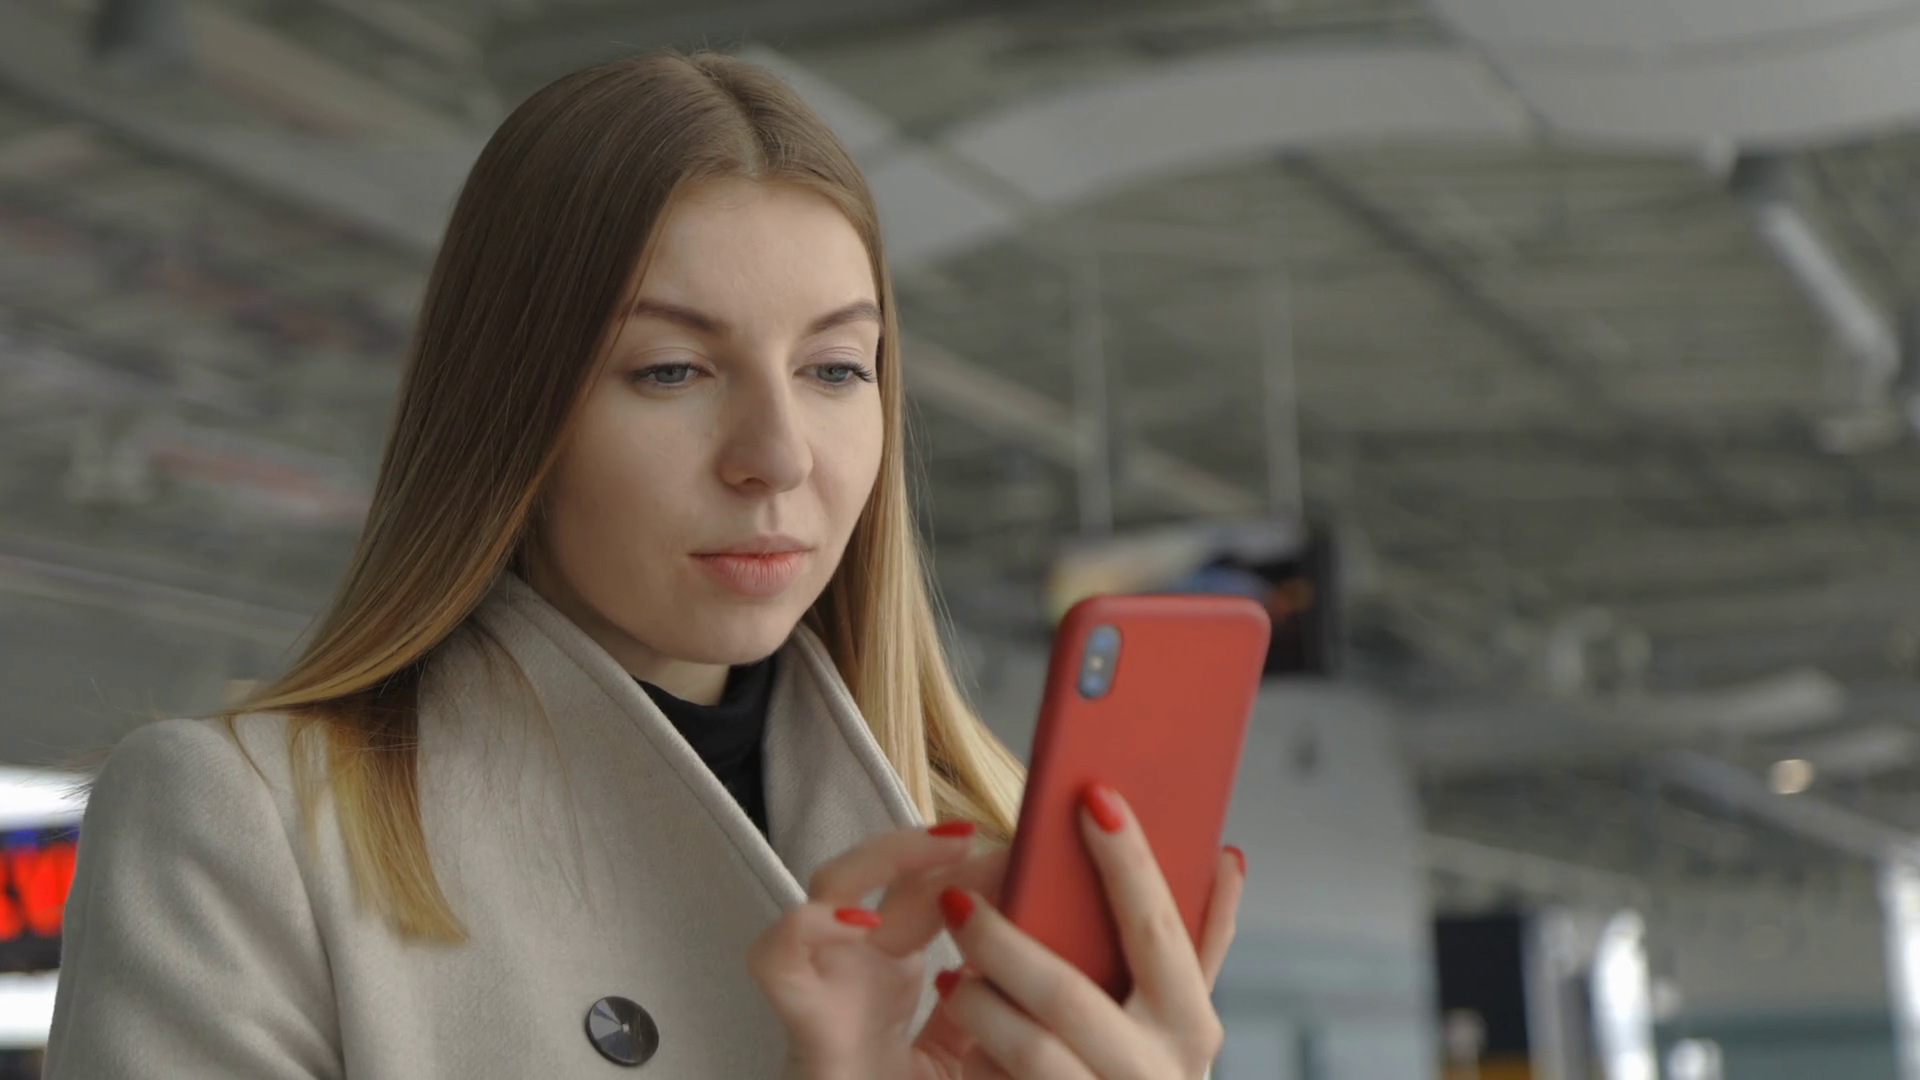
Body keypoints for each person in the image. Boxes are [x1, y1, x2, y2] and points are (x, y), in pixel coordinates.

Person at [43, 51, 1243, 1079]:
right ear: (510, 414)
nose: (776, 457)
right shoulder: (247, 829)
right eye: (671, 370)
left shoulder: (992, 853)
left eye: (836, 370)